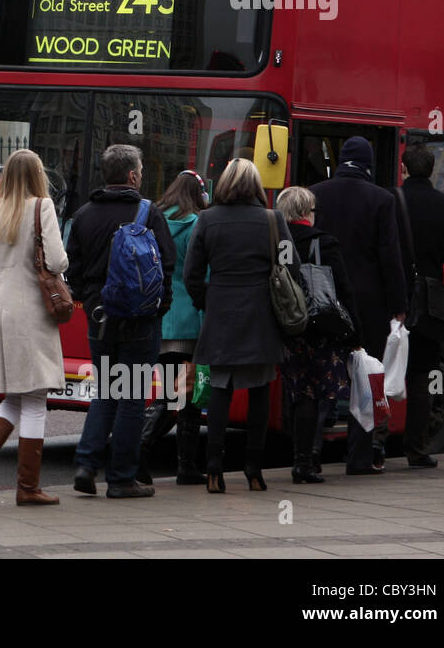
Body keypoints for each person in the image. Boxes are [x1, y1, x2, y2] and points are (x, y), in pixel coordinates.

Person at [66, 144, 175, 499]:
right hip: (140, 320)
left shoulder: (83, 215)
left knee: (107, 390)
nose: (141, 176)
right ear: (131, 176)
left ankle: (85, 464)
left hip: (100, 318)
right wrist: (159, 308)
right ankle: (121, 478)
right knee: (132, 396)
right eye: (140, 171)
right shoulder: (149, 213)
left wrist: (92, 298)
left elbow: (74, 271)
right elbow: (167, 267)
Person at [0, 148, 68, 505]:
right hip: (32, 310)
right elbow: (56, 260)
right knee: (36, 396)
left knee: (15, 392)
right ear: (37, 175)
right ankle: (27, 488)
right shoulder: (42, 207)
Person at [184, 158, 294, 493]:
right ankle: (253, 469)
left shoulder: (206, 219)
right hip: (261, 316)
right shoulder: (273, 219)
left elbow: (191, 274)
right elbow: (292, 266)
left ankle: (214, 469)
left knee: (220, 389)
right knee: (260, 390)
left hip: (221, 313)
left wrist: (208, 301)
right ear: (256, 186)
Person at [310, 136, 405, 473]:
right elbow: (389, 257)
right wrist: (398, 304)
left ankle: (311, 456)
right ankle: (359, 457)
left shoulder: (316, 193)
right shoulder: (382, 199)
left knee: (323, 376)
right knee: (363, 377)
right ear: (368, 164)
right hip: (369, 303)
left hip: (324, 298)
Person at [277, 186, 360, 483]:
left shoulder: (276, 243)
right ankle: (308, 461)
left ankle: (300, 458)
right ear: (305, 213)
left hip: (289, 328)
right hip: (320, 329)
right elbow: (344, 288)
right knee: (317, 394)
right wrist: (355, 333)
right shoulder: (325, 243)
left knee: (299, 393)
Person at [396, 144, 444, 468]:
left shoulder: (390, 201)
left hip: (396, 299)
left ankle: (373, 445)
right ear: (433, 170)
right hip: (430, 303)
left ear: (404, 168)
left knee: (381, 369)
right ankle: (417, 449)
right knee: (421, 376)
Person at [137, 170, 207, 486]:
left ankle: (148, 455)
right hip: (190, 320)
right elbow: (200, 275)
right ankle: (180, 464)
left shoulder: (154, 219)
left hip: (161, 317)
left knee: (172, 392)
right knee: (187, 397)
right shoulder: (197, 225)